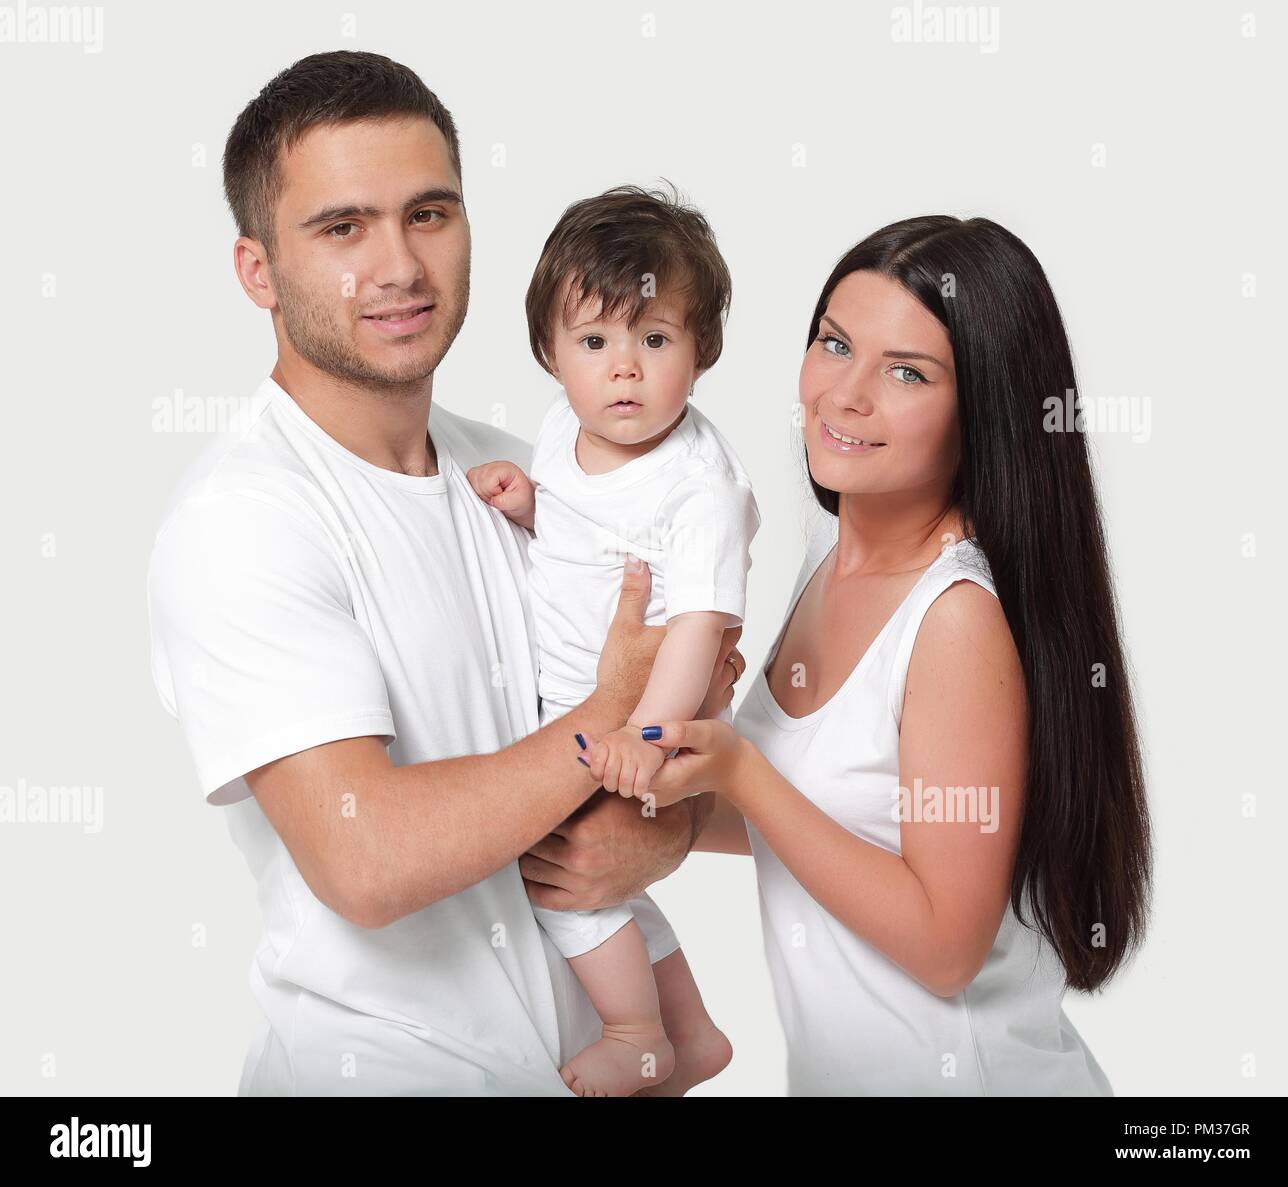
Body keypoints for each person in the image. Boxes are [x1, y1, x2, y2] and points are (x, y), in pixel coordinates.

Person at [146, 50, 741, 1096]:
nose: (400, 267)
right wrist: (611, 716)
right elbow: (365, 859)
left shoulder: (531, 471)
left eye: (429, 214)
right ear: (257, 271)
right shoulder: (241, 520)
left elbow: (703, 749)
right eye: (343, 227)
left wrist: (665, 828)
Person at [581, 216, 1153, 1095]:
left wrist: (737, 772)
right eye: (834, 344)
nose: (845, 394)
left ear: (984, 411)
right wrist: (671, 812)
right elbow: (840, 815)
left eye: (907, 372)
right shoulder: (829, 549)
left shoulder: (953, 619)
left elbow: (946, 943)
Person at [466, 185, 759, 1095]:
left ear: (702, 351)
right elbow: (580, 545)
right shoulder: (563, 434)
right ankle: (695, 1031)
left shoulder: (697, 488)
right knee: (610, 883)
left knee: (558, 883)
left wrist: (651, 731)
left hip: (622, 721)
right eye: (595, 343)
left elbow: (701, 625)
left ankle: (637, 1030)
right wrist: (530, 510)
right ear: (551, 355)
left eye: (656, 341)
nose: (624, 371)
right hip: (567, 702)